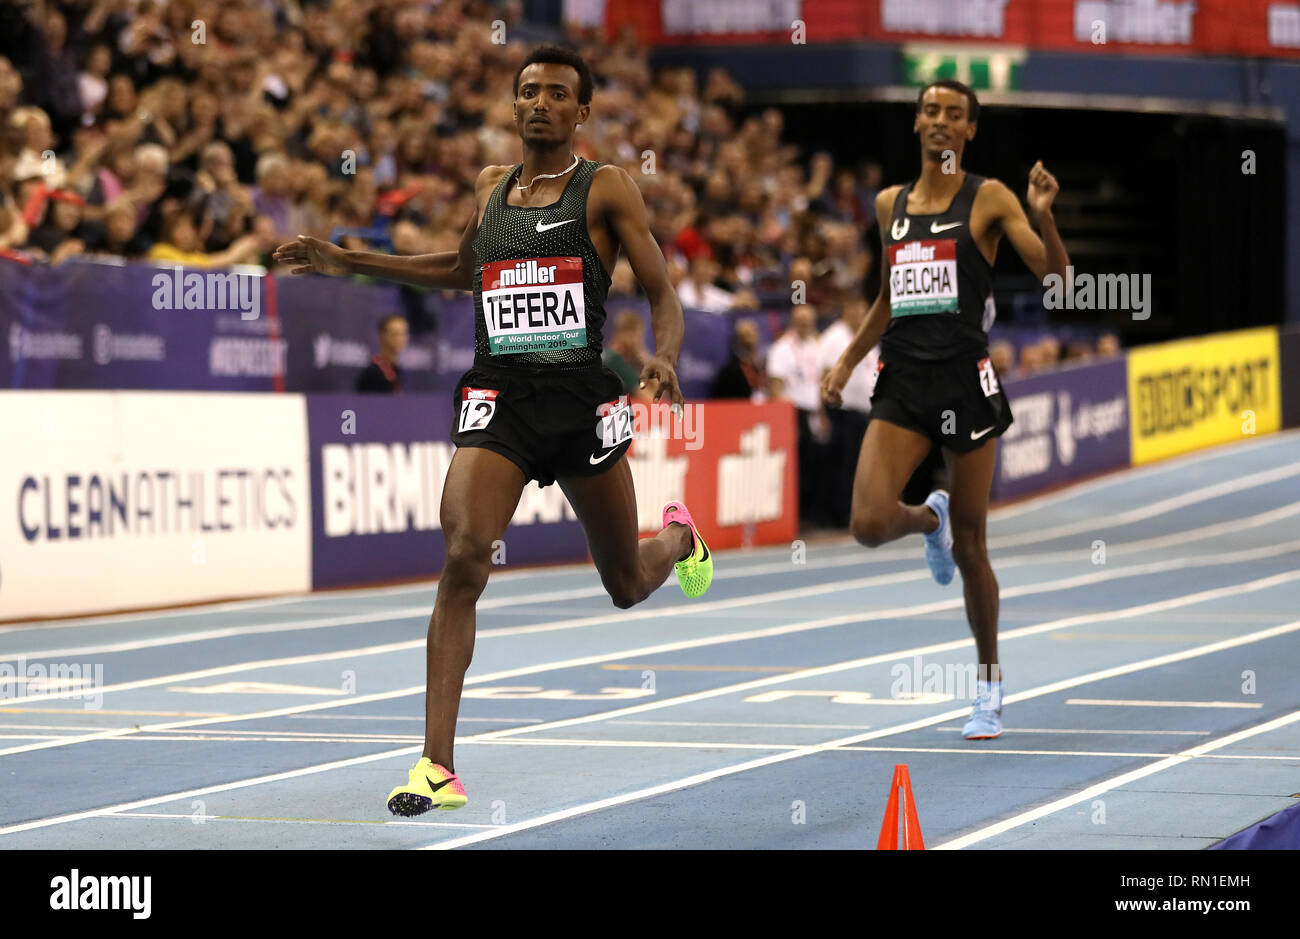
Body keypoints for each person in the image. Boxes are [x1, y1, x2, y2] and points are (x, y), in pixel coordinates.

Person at [273, 45, 713, 817]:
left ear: (581, 112)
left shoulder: (605, 187)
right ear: (513, 106)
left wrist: (667, 355)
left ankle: (679, 539)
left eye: (556, 94)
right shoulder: (492, 187)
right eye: (528, 92)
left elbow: (661, 290)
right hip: (501, 394)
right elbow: (460, 268)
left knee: (624, 583)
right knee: (466, 553)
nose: (539, 103)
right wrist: (350, 258)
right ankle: (436, 765)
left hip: (580, 399)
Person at [822, 80, 1069, 740]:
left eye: (954, 114)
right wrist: (846, 362)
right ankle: (920, 516)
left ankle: (988, 682)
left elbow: (1057, 278)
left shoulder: (988, 196)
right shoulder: (888, 204)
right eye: (931, 110)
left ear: (969, 132)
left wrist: (1043, 214)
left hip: (966, 381)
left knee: (972, 544)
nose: (940, 121)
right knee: (869, 522)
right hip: (902, 378)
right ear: (916, 122)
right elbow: (887, 297)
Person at [770, 304, 833, 528]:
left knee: (816, 466)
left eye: (809, 322)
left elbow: (818, 382)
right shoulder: (782, 349)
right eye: (802, 322)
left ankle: (812, 514)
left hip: (814, 412)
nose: (806, 326)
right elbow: (776, 387)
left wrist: (823, 412)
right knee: (797, 468)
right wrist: (784, 422)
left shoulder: (816, 347)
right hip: (794, 413)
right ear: (794, 323)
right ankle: (795, 517)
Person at [818, 295, 878, 528]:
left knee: (857, 464)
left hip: (861, 413)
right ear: (847, 309)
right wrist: (824, 408)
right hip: (840, 411)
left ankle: (854, 509)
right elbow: (823, 372)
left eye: (864, 311)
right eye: (857, 310)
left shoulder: (864, 338)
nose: (861, 315)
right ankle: (838, 514)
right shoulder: (835, 337)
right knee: (841, 464)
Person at [710, 317, 768, 400]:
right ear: (738, 339)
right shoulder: (729, 372)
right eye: (747, 335)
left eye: (754, 334)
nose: (751, 340)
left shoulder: (760, 367)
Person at [602, 310, 649, 398]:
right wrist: (647, 365)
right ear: (621, 334)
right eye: (634, 336)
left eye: (639, 336)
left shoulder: (608, 355)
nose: (637, 341)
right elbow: (651, 399)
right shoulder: (615, 361)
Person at [356, 314, 408, 393]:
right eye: (395, 334)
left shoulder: (396, 370)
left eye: (404, 334)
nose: (400, 339)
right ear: (382, 336)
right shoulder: (373, 373)